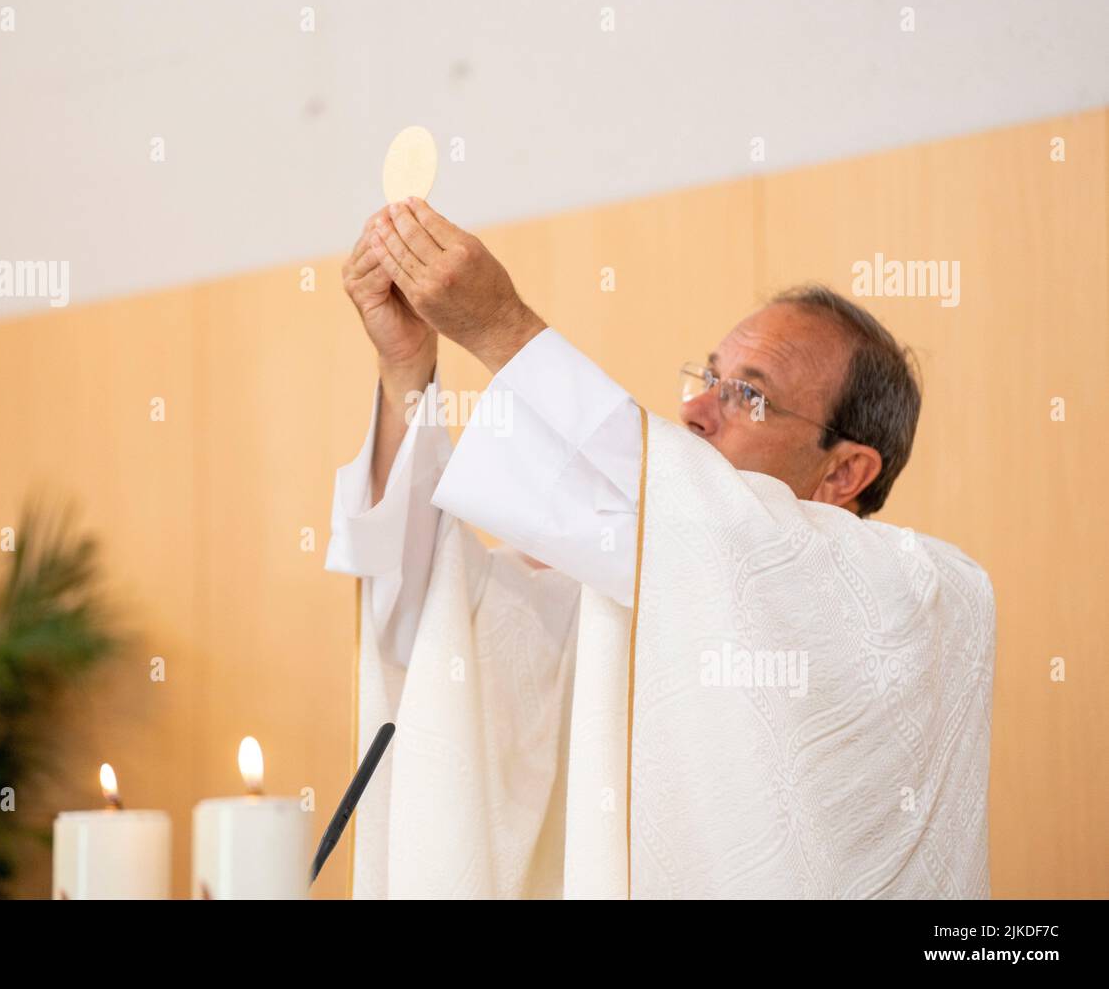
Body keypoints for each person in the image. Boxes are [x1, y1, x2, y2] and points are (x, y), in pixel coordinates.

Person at [326, 199, 995, 899]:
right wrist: (407, 368)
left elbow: (718, 529)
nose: (695, 411)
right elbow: (431, 618)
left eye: (747, 396)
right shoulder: (641, 587)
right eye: (707, 379)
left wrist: (499, 327)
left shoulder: (914, 597)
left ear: (845, 472)